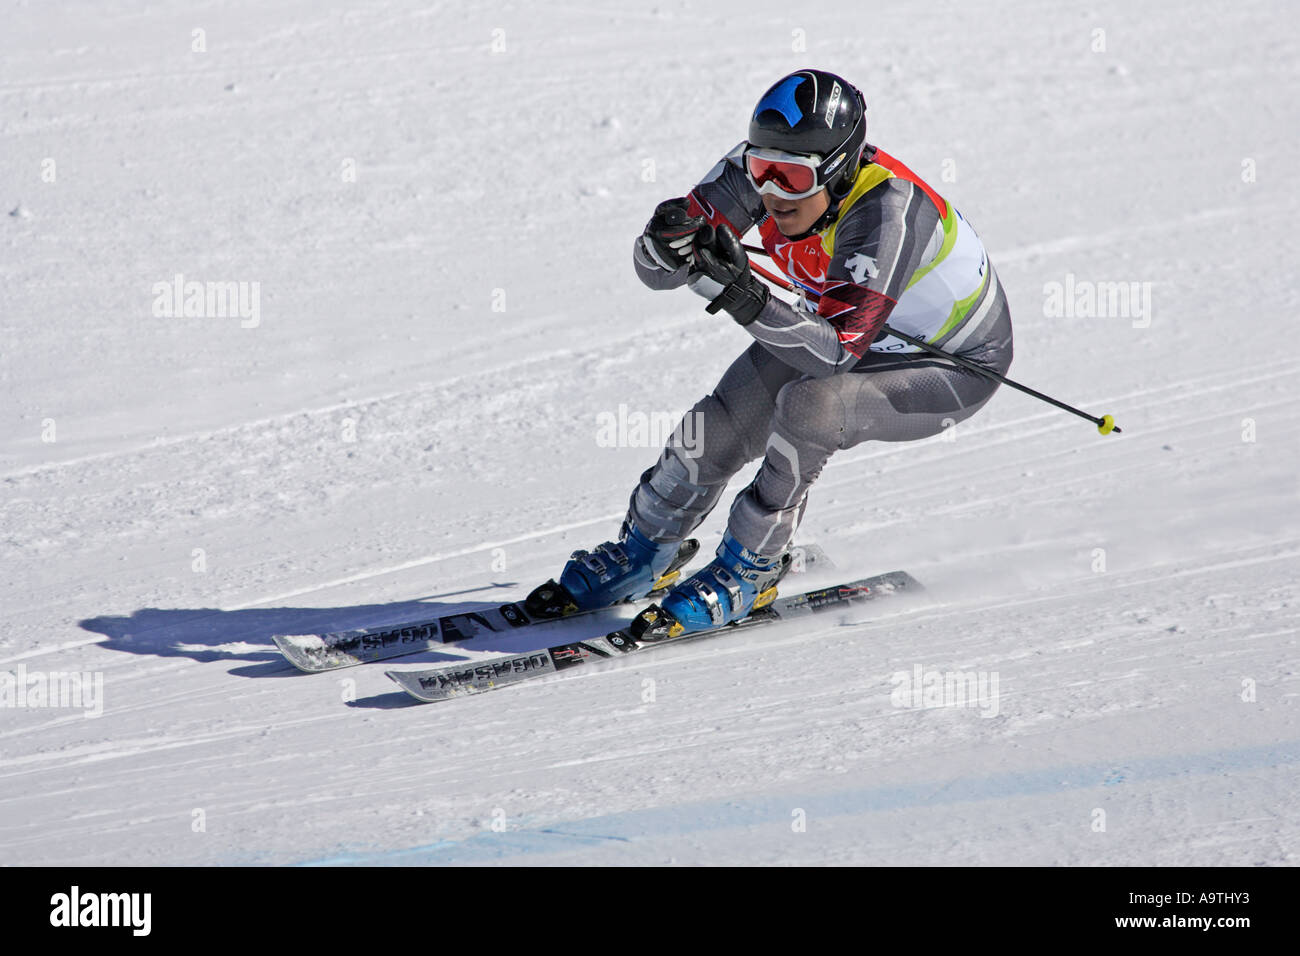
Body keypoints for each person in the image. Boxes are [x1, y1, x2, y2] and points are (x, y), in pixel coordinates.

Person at [551, 67, 1013, 637]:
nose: (772, 192)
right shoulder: (761, 170)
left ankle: (753, 567)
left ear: (839, 169)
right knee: (717, 425)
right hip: (844, 331)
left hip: (945, 366)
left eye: (792, 177)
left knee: (810, 406)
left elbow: (835, 358)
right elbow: (657, 275)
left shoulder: (887, 214)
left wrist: (744, 295)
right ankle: (647, 550)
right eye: (761, 169)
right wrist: (660, 245)